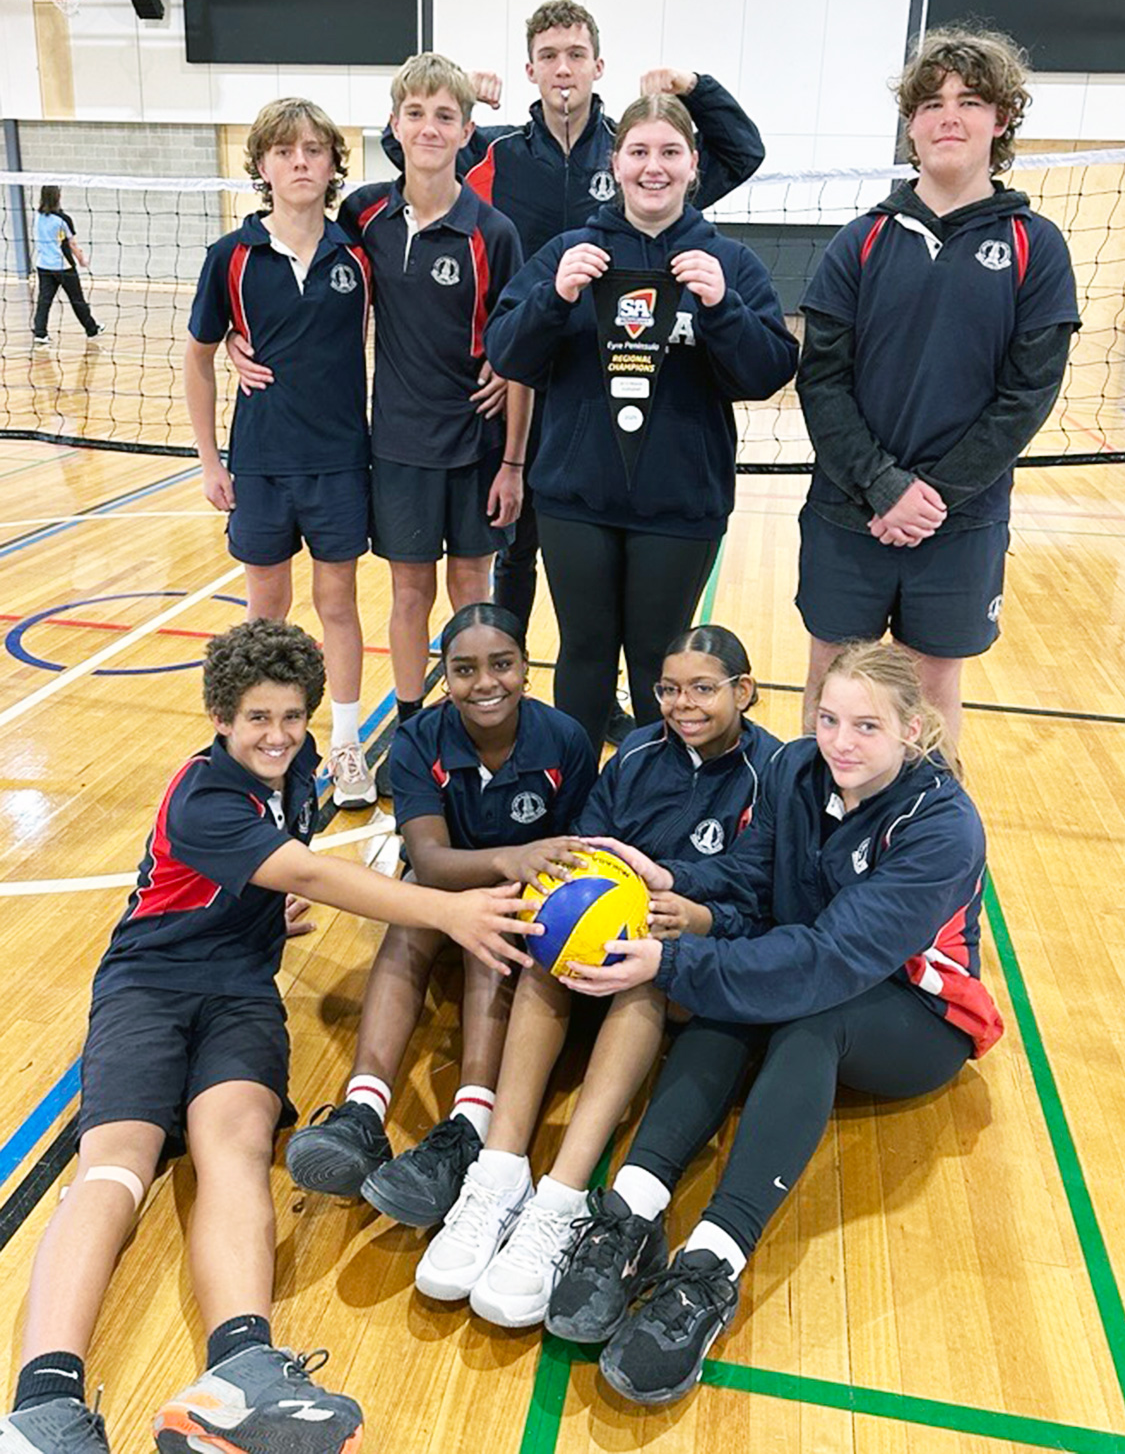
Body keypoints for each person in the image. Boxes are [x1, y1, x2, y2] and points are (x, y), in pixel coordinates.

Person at [0, 618, 537, 1454]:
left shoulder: (301, 771)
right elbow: (315, 871)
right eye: (257, 717)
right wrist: (452, 911)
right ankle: (41, 1407)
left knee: (239, 1150)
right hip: (148, 988)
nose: (278, 734)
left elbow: (274, 865)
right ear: (220, 717)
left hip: (241, 992)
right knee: (115, 1166)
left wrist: (255, 908)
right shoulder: (206, 793)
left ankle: (239, 1373)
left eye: (292, 715)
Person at [542, 641, 1004, 1406]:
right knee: (745, 985)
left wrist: (674, 966)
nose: (840, 742)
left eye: (866, 727)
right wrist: (673, 879)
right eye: (828, 718)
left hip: (916, 1015)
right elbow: (752, 877)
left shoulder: (943, 828)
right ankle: (632, 1208)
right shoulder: (796, 768)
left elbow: (829, 960)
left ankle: (713, 1263)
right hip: (809, 964)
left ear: (914, 731)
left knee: (805, 1014)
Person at [413, 625, 781, 1327]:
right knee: (551, 951)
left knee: (645, 969)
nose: (681, 704)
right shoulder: (636, 752)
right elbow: (587, 844)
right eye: (668, 689)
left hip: (698, 948)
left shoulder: (774, 772)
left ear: (745, 690)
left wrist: (678, 900)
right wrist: (579, 903)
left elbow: (758, 884)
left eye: (702, 688)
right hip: (619, 930)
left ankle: (562, 1199)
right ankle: (498, 1175)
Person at [451, 0, 768, 746]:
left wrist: (721, 309)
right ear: (615, 163)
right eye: (638, 153)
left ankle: (660, 792)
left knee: (660, 661)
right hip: (576, 490)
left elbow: (765, 369)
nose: (652, 166)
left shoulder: (726, 261)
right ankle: (571, 788)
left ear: (693, 167)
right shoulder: (564, 247)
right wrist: (555, 298)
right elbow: (509, 348)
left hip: (679, 498)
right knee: (583, 654)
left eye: (669, 153)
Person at [227, 57, 532, 784]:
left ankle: (479, 721)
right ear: (394, 127)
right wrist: (243, 338)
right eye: (415, 114)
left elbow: (521, 346)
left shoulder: (493, 232)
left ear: (467, 132)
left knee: (472, 589)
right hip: (395, 446)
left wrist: (513, 445)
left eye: (446, 116)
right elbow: (292, 250)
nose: (430, 127)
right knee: (406, 595)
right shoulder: (363, 215)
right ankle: (411, 726)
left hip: (477, 443)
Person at [795, 27, 1080, 743]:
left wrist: (933, 498)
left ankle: (925, 839)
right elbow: (821, 379)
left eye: (971, 100)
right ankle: (809, 830)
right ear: (912, 123)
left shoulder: (1034, 247)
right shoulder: (859, 239)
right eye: (932, 103)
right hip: (847, 509)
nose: (948, 116)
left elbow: (1027, 397)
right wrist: (884, 486)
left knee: (933, 682)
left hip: (962, 519)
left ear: (1001, 119)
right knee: (834, 675)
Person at [285, 603, 596, 1229]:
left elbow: (577, 856)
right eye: (464, 669)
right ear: (444, 678)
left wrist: (514, 885)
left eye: (501, 664)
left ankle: (466, 1127)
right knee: (421, 916)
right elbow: (427, 860)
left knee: (493, 926)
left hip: (522, 911)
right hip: (444, 895)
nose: (485, 683)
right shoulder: (420, 739)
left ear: (526, 669)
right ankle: (364, 1111)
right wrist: (511, 858)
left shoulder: (565, 739)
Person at [184, 98, 376, 812]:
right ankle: (257, 745)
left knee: (338, 605)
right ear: (261, 165)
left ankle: (349, 745)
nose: (300, 162)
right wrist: (211, 460)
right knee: (265, 613)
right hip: (260, 466)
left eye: (314, 150)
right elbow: (199, 359)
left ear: (333, 164)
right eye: (285, 151)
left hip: (338, 463)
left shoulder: (360, 251)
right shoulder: (229, 258)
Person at [31, 185, 104, 345]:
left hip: (43, 265)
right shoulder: (63, 219)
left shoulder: (37, 216)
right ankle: (91, 329)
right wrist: (81, 260)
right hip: (62, 267)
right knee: (77, 299)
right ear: (57, 197)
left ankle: (40, 333)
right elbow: (72, 244)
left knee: (44, 300)